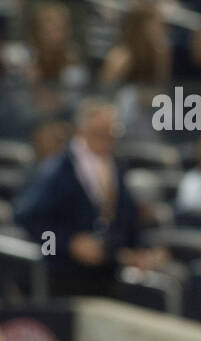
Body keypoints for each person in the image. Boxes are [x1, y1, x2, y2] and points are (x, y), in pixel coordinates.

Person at [13, 101, 159, 298]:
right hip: (63, 277)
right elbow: (31, 220)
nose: (107, 141)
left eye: (112, 134)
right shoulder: (59, 170)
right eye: (99, 133)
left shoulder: (115, 166)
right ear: (82, 131)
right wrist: (68, 244)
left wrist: (139, 250)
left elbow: (126, 217)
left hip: (105, 276)